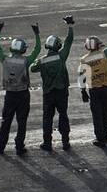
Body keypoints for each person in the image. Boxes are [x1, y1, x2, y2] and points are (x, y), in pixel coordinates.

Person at [0, 22, 40, 156]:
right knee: (22, 122)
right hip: (23, 95)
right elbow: (37, 49)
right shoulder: (26, 61)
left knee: (6, 121)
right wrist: (36, 33)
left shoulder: (5, 60)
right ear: (23, 50)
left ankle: (0, 146)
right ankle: (19, 147)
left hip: (10, 95)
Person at [77, 16, 107, 147]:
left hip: (95, 90)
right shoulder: (105, 54)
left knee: (97, 114)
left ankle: (100, 137)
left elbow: (81, 77)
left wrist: (83, 92)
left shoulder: (84, 60)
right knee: (106, 112)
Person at [31, 16, 75, 152]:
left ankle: (47, 143)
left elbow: (32, 68)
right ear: (57, 46)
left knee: (47, 118)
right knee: (63, 115)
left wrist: (37, 60)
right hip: (61, 91)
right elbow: (69, 42)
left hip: (48, 93)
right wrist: (70, 26)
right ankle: (65, 142)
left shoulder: (42, 61)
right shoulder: (61, 56)